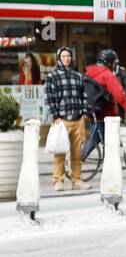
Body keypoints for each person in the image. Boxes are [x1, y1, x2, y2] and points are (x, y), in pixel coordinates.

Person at [43, 47, 90, 192]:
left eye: (68, 56)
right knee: (60, 152)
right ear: (59, 58)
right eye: (63, 56)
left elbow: (84, 96)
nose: (66, 59)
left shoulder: (78, 76)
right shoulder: (52, 76)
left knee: (77, 153)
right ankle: (58, 181)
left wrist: (84, 113)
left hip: (78, 119)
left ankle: (77, 180)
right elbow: (48, 98)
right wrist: (55, 116)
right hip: (61, 120)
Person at [83, 48, 126, 161]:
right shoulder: (106, 75)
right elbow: (119, 93)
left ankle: (108, 161)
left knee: (106, 139)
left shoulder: (88, 72)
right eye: (114, 63)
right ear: (109, 62)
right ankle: (81, 156)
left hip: (90, 110)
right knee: (99, 137)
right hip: (105, 113)